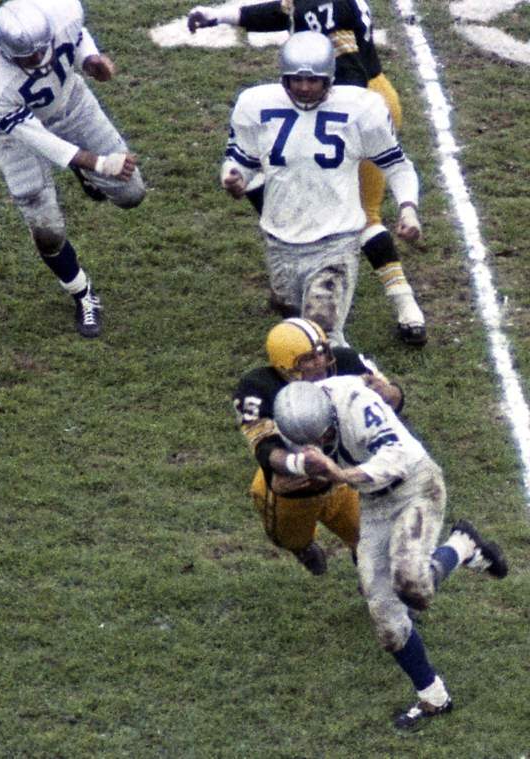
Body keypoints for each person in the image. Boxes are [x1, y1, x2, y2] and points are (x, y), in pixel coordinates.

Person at [273, 377, 508, 728]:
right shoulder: (294, 419)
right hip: (374, 503)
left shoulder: (353, 404)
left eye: (323, 437)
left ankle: (462, 544)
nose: (319, 444)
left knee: (414, 588)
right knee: (384, 614)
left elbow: (394, 459)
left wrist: (339, 473)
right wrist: (292, 474)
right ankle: (433, 697)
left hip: (415, 484)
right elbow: (280, 470)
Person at [188, 0, 427, 345]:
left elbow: (345, 63)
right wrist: (218, 16)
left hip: (353, 100)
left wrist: (328, 108)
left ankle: (405, 306)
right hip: (347, 96)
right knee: (272, 175)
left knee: (361, 212)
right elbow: (281, 12)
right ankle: (308, 266)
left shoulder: (332, 36)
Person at [0, 0, 145, 338]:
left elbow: (76, 37)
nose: (39, 61)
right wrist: (101, 163)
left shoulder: (61, 9)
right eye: (28, 59)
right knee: (47, 231)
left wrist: (90, 59)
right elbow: (41, 141)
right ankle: (82, 293)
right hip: (14, 135)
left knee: (132, 193)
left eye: (41, 51)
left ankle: (84, 173)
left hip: (70, 101)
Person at [233, 316, 403, 574]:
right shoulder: (259, 387)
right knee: (290, 538)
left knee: (374, 543)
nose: (320, 362)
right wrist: (296, 465)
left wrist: (390, 394)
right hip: (296, 487)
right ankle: (302, 547)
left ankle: (380, 587)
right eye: (308, 358)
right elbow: (264, 446)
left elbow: (393, 403)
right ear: (284, 365)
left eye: (322, 352)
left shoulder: (346, 362)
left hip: (345, 476)